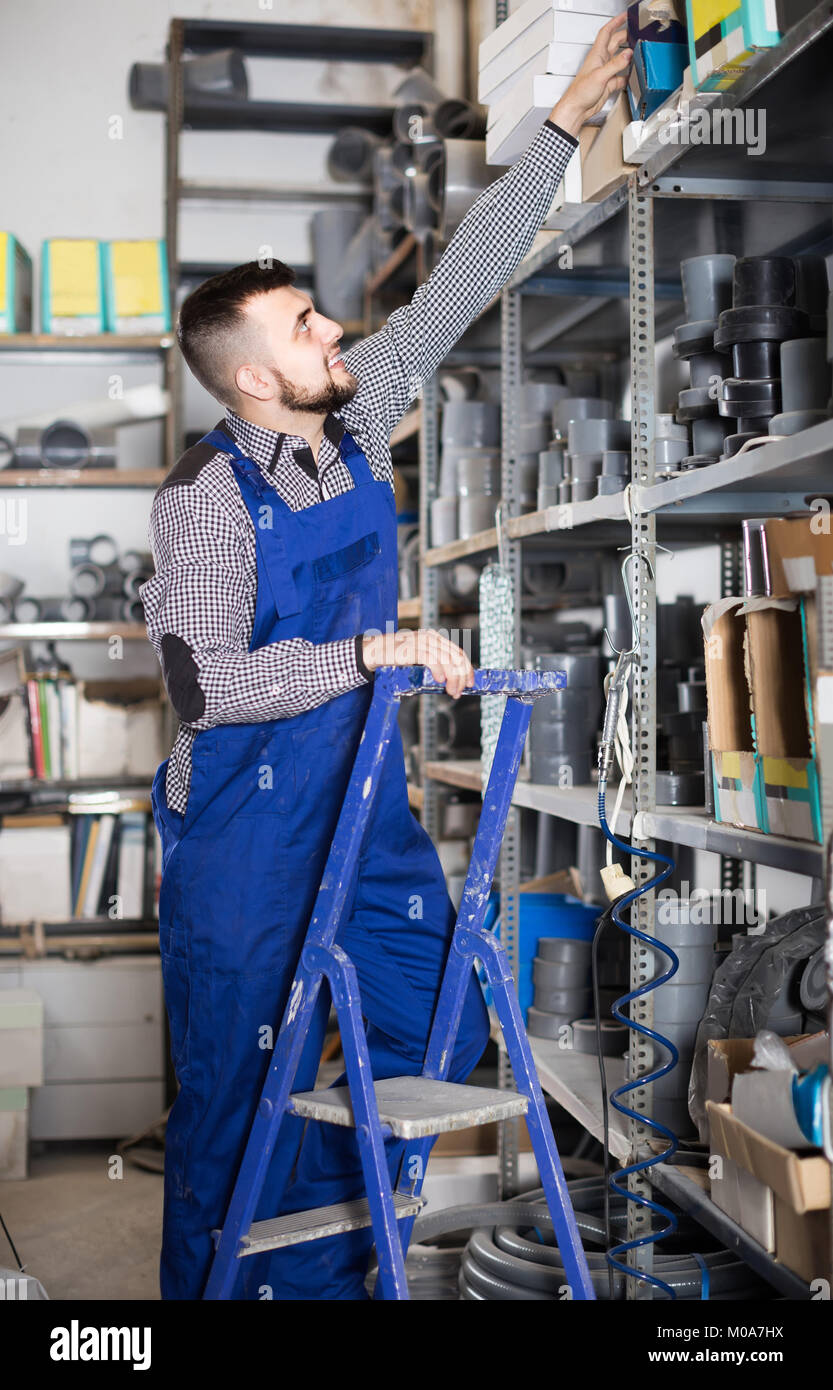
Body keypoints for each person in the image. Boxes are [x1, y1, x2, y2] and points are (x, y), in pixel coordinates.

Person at [140, 14, 632, 1301]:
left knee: (426, 1022)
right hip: (243, 834)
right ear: (252, 378)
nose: (334, 331)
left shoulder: (357, 419)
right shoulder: (205, 497)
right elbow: (207, 686)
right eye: (306, 325)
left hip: (356, 809)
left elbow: (461, 277)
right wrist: (368, 649)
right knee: (233, 1101)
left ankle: (326, 1277)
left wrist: (565, 120)